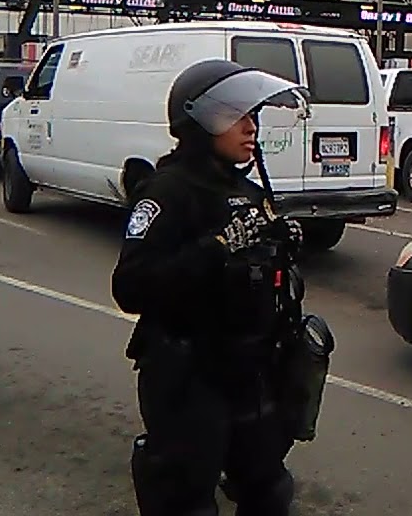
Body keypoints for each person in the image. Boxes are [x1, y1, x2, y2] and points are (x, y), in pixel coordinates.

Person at [113, 58, 309, 516]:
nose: (251, 127)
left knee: (268, 490)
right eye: (238, 116)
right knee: (185, 498)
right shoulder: (169, 192)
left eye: (253, 116)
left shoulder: (243, 188)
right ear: (202, 121)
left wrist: (279, 242)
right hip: (189, 375)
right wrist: (213, 249)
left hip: (252, 370)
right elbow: (130, 287)